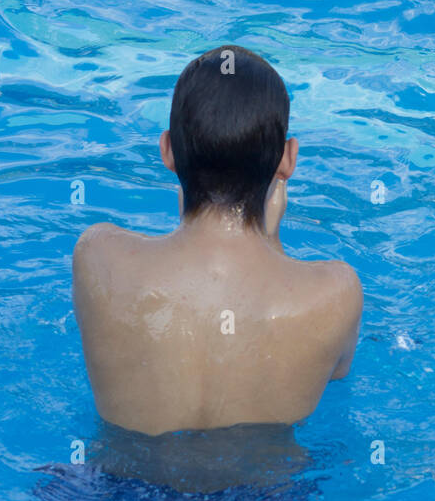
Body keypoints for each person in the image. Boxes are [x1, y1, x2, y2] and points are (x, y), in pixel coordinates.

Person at [72, 45, 362, 436]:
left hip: (113, 486)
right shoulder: (336, 293)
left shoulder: (97, 255)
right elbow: (336, 373)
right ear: (288, 160)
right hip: (267, 494)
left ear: (167, 150)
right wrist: (270, 243)